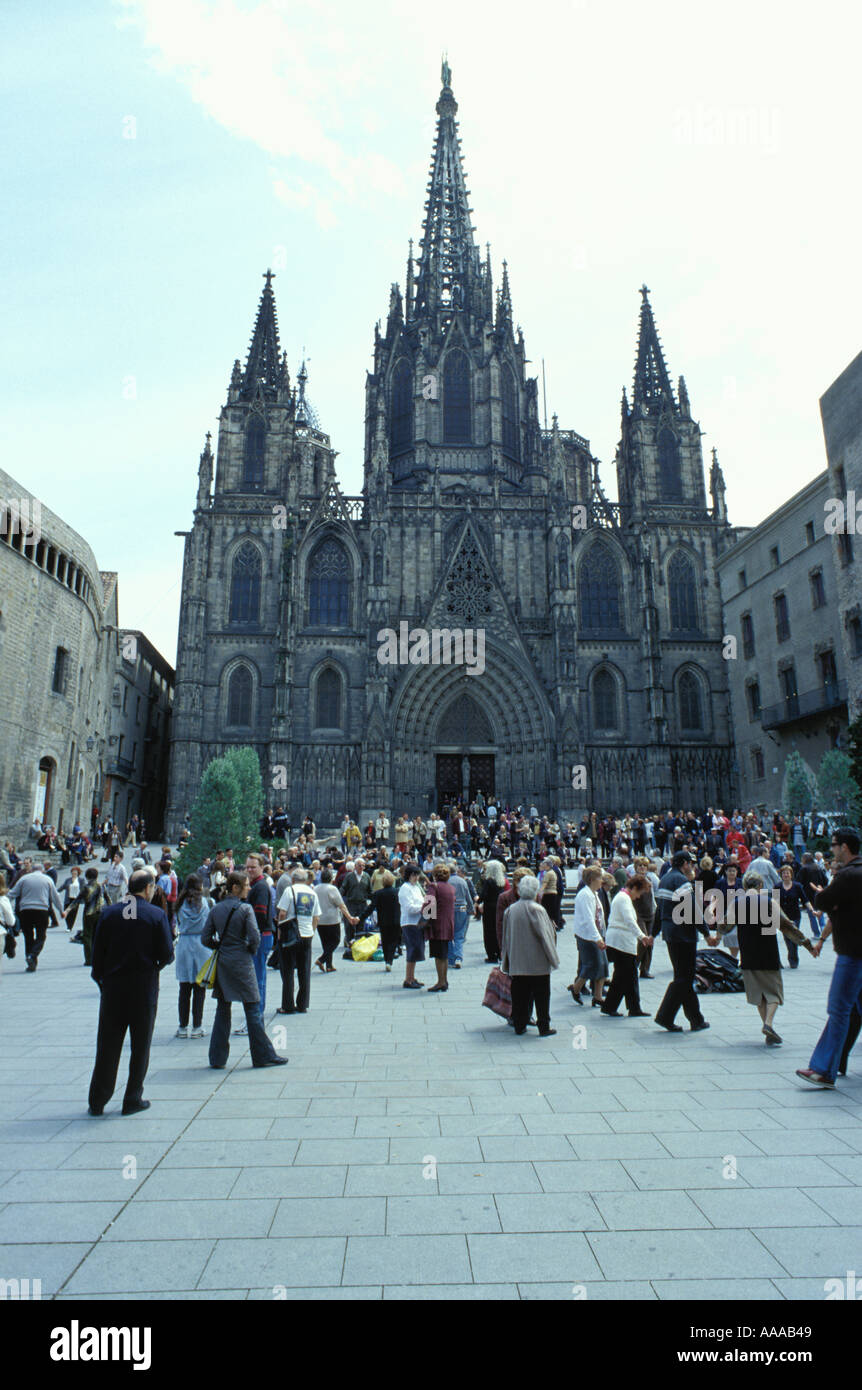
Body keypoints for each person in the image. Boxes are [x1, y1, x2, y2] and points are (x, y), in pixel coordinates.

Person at [87, 869, 174, 1116]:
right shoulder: (155, 915)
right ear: (148, 888)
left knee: (107, 1044)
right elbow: (167, 954)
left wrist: (102, 979)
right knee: (140, 1045)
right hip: (143, 987)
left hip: (113, 988)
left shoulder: (109, 913)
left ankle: (98, 1099)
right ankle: (132, 1097)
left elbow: (97, 954)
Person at [797, 826, 862, 1089]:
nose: (831, 850)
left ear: (844, 847)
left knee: (838, 1010)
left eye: (834, 845)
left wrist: (830, 899)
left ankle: (824, 1070)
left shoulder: (847, 876)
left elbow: (821, 900)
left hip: (852, 954)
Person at [201, 871, 288, 1069]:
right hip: (242, 962)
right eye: (246, 885)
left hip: (224, 962)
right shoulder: (245, 909)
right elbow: (254, 937)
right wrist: (248, 949)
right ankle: (262, 1055)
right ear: (235, 888)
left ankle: (217, 1058)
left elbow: (205, 938)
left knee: (223, 1010)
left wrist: (220, 946)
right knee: (252, 1008)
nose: (249, 888)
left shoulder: (217, 909)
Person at [654, 850, 711, 1033]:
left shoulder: (664, 879)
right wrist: (706, 933)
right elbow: (692, 910)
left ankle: (696, 1019)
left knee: (684, 977)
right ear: (684, 863)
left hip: (670, 934)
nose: (693, 867)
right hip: (684, 934)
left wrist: (652, 933)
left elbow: (659, 910)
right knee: (683, 978)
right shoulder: (681, 881)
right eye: (691, 863)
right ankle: (665, 1016)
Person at [500, 875, 559, 1036]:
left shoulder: (511, 910)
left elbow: (506, 936)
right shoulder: (537, 909)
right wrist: (553, 959)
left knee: (519, 995)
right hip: (537, 962)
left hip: (517, 961)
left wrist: (505, 958)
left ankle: (519, 1024)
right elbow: (545, 936)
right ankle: (543, 1025)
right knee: (542, 995)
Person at [601, 873, 653, 1017]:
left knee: (629, 975)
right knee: (623, 975)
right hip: (621, 942)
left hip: (620, 941)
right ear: (634, 888)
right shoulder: (623, 899)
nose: (639, 897)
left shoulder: (622, 897)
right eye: (640, 892)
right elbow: (630, 921)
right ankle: (611, 1006)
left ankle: (633, 1007)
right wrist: (642, 936)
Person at [173, 873, 214, 1038]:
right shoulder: (205, 903)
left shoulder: (180, 904)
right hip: (201, 944)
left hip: (184, 943)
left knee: (184, 989)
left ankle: (182, 1027)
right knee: (199, 989)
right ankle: (197, 1026)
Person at [275, 868, 321, 1013]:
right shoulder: (312, 893)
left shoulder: (289, 891)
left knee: (288, 970)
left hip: (291, 934)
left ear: (293, 880)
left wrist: (280, 930)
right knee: (304, 970)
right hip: (307, 934)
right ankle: (302, 1004)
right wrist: (312, 931)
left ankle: (288, 1005)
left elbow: (282, 913)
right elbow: (316, 917)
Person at [7, 863, 64, 971]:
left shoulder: (24, 879)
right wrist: (61, 910)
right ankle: (32, 955)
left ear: (32, 870)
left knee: (28, 936)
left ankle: (31, 963)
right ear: (42, 870)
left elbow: (12, 894)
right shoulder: (47, 879)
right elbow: (55, 897)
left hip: (25, 911)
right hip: (41, 910)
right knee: (41, 936)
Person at [569, 865, 608, 1008]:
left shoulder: (594, 894)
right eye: (600, 878)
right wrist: (597, 938)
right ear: (592, 879)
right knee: (591, 965)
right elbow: (588, 919)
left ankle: (597, 996)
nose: (602, 881)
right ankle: (576, 988)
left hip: (596, 934)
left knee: (602, 965)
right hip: (587, 936)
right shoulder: (585, 895)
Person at [244, 853, 274, 1031]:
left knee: (257, 978)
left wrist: (251, 933)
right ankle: (256, 1017)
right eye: (247, 867)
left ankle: (257, 1018)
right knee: (257, 976)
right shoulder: (256, 885)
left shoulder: (260, 887)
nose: (249, 870)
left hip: (261, 935)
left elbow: (260, 915)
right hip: (262, 934)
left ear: (261, 867)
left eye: (253, 867)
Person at [314, 867, 359, 971]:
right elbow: (341, 905)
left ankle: (329, 965)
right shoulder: (332, 889)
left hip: (320, 919)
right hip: (332, 919)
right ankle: (321, 960)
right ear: (331, 878)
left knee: (326, 943)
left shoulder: (316, 888)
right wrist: (349, 917)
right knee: (335, 941)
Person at [422, 862, 455, 993]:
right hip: (448, 923)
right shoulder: (450, 888)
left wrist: (423, 915)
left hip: (437, 925)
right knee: (444, 954)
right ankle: (444, 980)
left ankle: (440, 982)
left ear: (435, 875)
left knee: (438, 955)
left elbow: (428, 907)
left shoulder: (433, 886)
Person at [398, 863, 427, 989]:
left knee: (416, 950)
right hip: (409, 922)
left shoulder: (416, 887)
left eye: (417, 875)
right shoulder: (405, 888)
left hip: (418, 922)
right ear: (408, 875)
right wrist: (423, 908)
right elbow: (409, 907)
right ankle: (407, 979)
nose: (416, 877)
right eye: (414, 875)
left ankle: (412, 977)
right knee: (412, 950)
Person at [475, 860, 506, 964]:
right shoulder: (501, 882)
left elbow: (484, 894)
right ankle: (499, 952)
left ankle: (491, 955)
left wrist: (478, 902)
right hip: (499, 907)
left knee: (488, 932)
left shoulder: (489, 881)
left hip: (489, 908)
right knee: (498, 930)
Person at [371, 869, 401, 971]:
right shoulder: (397, 892)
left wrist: (360, 917)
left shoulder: (378, 893)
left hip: (383, 921)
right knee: (393, 941)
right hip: (395, 920)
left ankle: (386, 960)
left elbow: (371, 907)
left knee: (385, 941)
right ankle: (389, 961)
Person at [448, 863, 472, 968]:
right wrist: (471, 909)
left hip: (450, 908)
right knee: (459, 933)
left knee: (449, 935)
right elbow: (468, 897)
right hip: (462, 907)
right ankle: (458, 957)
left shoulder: (446, 882)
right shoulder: (463, 881)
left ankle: (451, 958)